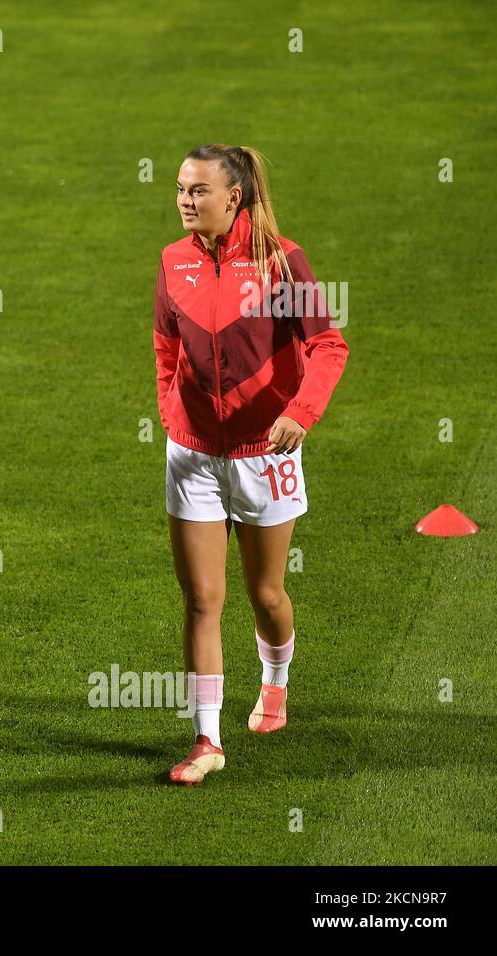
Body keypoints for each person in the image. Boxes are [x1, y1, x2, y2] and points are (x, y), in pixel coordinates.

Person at [154, 145, 349, 785]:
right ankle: (206, 740)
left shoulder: (279, 261)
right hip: (193, 457)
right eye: (181, 188)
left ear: (233, 196)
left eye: (199, 190)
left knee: (265, 594)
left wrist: (302, 411)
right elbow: (165, 346)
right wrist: (171, 413)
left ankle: (274, 683)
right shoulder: (173, 261)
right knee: (202, 600)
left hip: (267, 453)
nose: (185, 199)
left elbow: (326, 344)